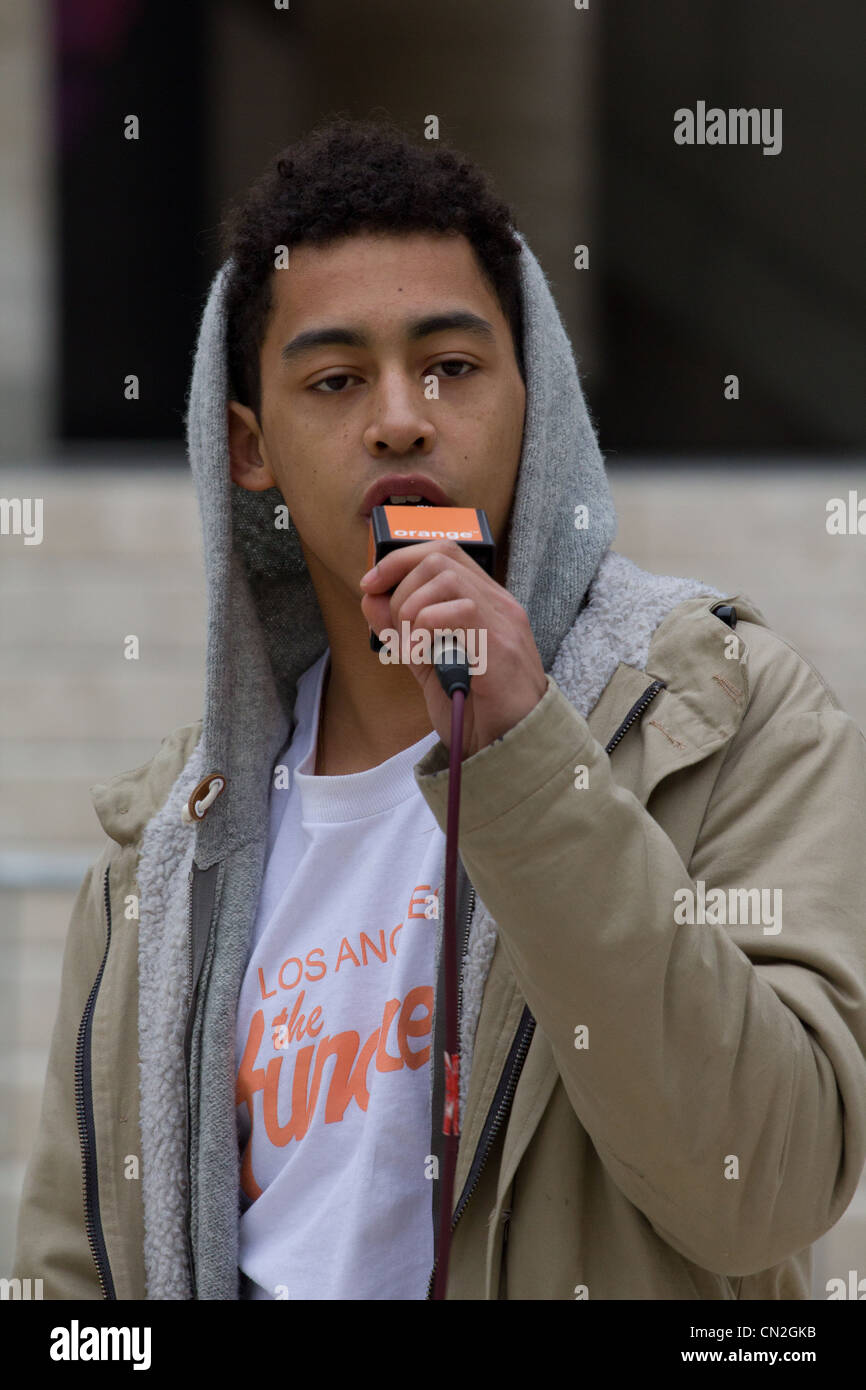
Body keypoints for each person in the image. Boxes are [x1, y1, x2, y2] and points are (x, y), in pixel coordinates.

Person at [13, 116, 866, 1301]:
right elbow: (70, 1285)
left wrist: (523, 756)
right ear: (248, 448)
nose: (401, 417)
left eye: (451, 367)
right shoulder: (163, 850)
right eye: (335, 378)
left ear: (534, 402)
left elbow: (763, 1185)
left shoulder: (721, 712)